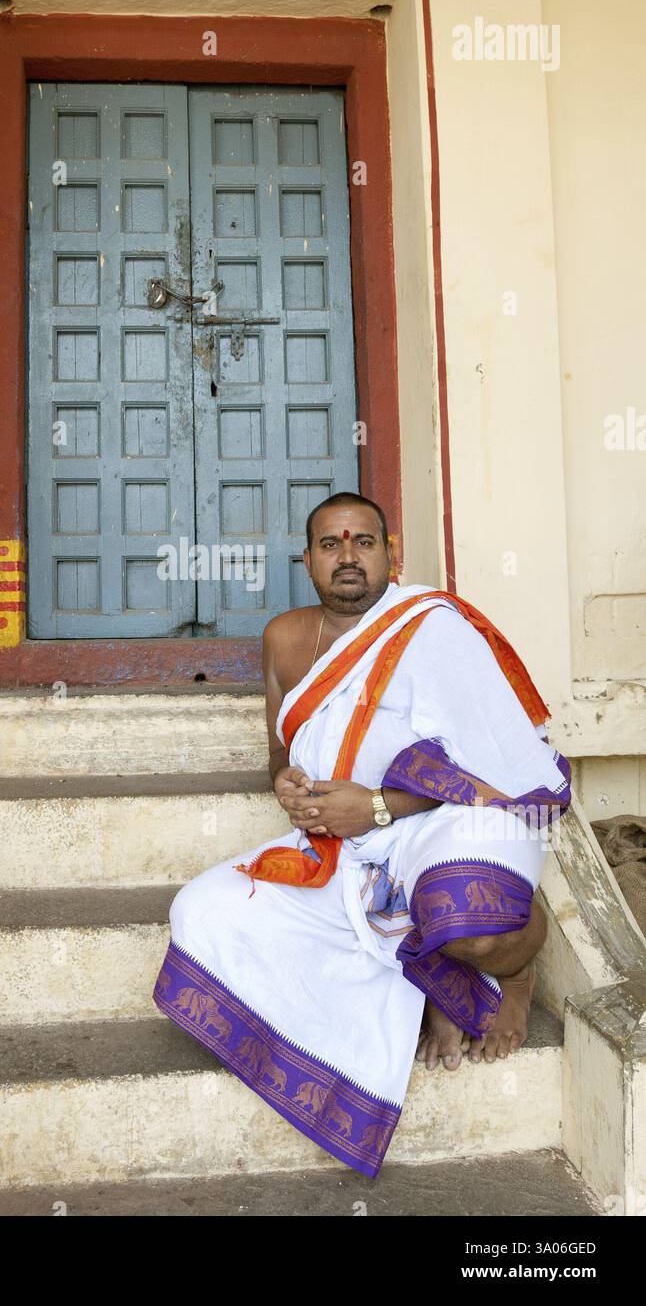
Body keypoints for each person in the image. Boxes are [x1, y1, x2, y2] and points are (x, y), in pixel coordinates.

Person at [152, 492, 571, 1177]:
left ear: (390, 554)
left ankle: (512, 971)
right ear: (308, 560)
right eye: (330, 544)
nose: (348, 556)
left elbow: (494, 765)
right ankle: (425, 989)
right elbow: (282, 752)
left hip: (450, 822)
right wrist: (288, 784)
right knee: (202, 913)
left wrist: (378, 805)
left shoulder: (434, 627)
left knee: (472, 922)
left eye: (364, 542)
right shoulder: (285, 639)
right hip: (341, 846)